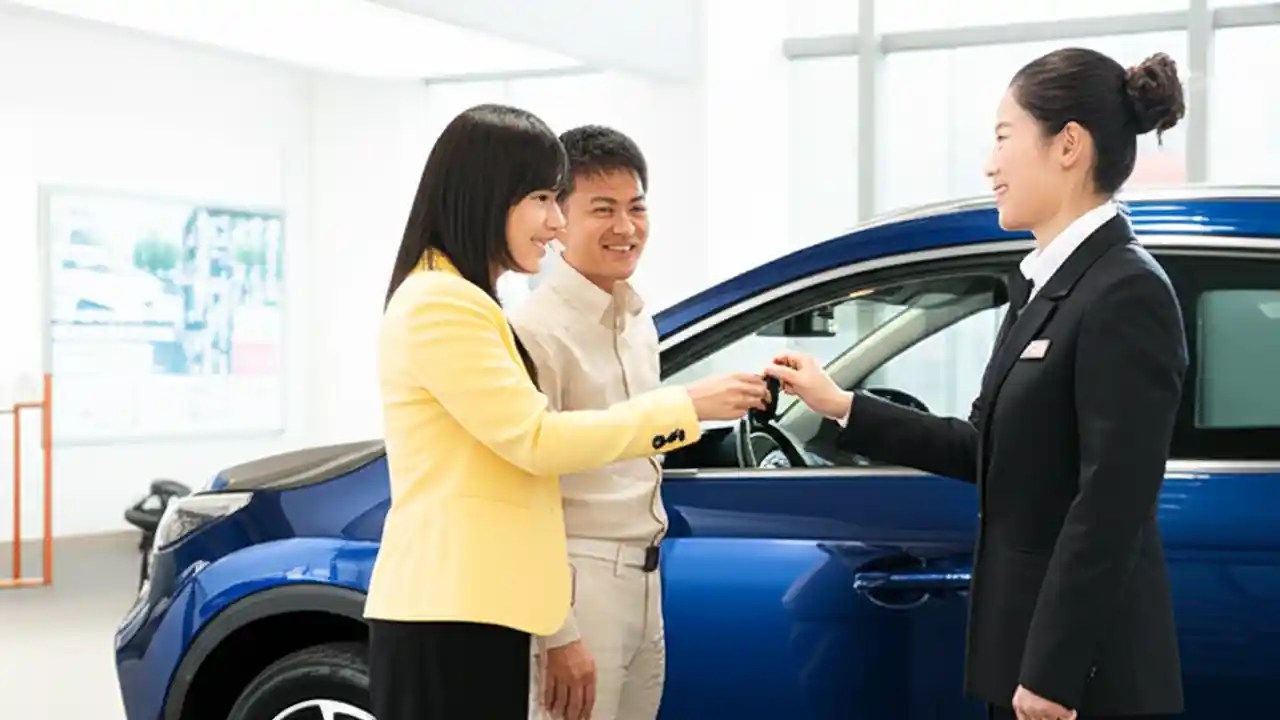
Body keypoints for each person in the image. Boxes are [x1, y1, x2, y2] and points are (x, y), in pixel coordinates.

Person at [765, 48, 1188, 720]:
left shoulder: (1124, 291)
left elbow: (1111, 505)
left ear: (1068, 145)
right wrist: (841, 406)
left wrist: (1053, 672)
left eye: (1002, 136)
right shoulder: (1048, 287)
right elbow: (985, 449)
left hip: (1083, 682)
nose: (990, 165)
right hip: (1026, 665)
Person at [364, 104, 771, 720]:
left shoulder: (467, 298)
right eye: (543, 200)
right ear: (487, 195)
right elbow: (536, 440)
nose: (553, 225)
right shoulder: (441, 303)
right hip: (454, 602)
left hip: (486, 601)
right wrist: (684, 407)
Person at [510, 125, 667, 720]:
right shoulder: (537, 330)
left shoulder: (637, 320)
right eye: (603, 210)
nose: (625, 228)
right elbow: (527, 486)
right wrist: (558, 631)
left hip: (647, 576)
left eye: (636, 208)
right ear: (558, 220)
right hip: (582, 578)